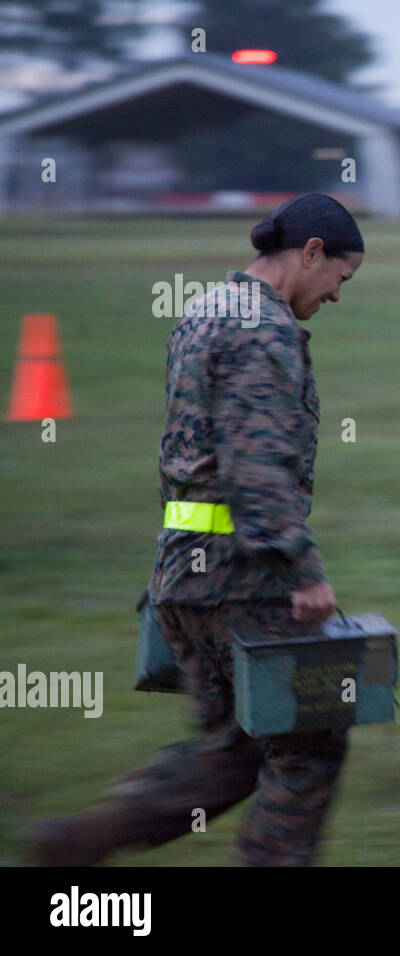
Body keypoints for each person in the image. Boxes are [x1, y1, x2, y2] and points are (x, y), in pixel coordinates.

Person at [26, 193, 364, 865]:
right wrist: (300, 568)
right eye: (340, 279)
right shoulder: (261, 331)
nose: (336, 296)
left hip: (184, 572)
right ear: (312, 253)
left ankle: (91, 837)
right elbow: (254, 464)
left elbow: (186, 451)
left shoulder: (205, 311)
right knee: (311, 737)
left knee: (235, 750)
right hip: (245, 575)